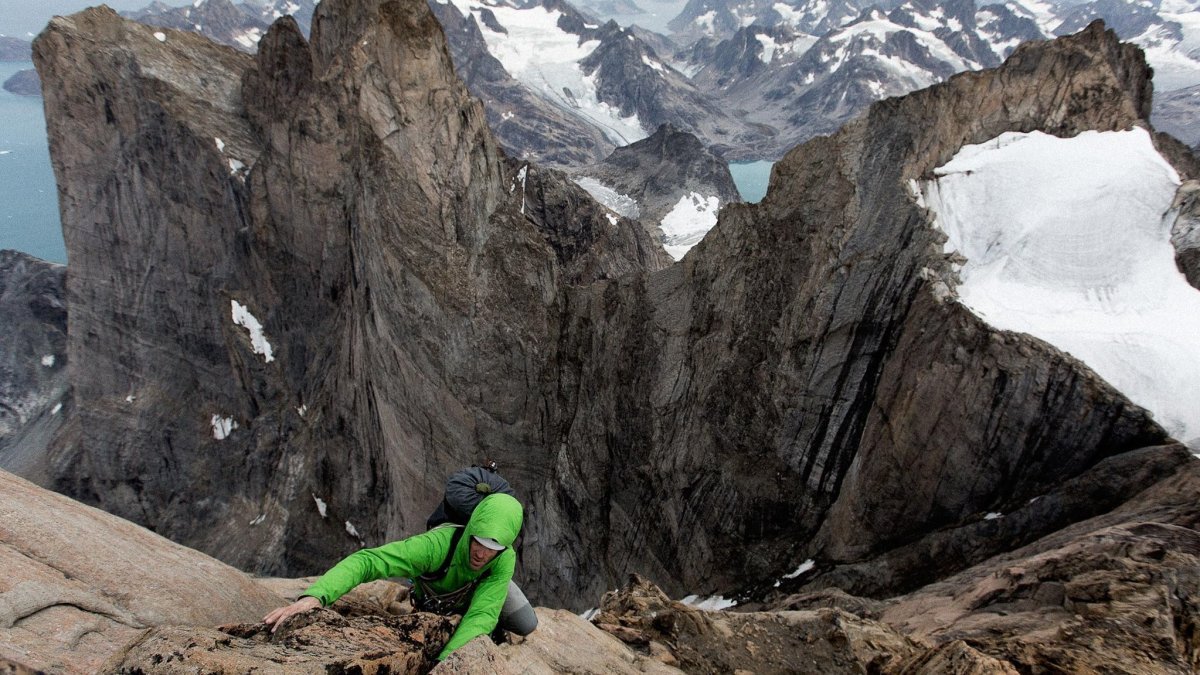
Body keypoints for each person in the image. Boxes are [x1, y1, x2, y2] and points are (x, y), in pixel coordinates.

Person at [263, 491, 537, 661]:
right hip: (445, 592)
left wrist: (445, 664)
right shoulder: (435, 547)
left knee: (525, 623)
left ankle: (495, 607)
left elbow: (481, 615)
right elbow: (369, 560)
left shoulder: (503, 558)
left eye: (493, 548)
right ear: (471, 529)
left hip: (477, 588)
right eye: (479, 541)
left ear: (506, 545)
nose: (482, 553)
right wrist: (315, 596)